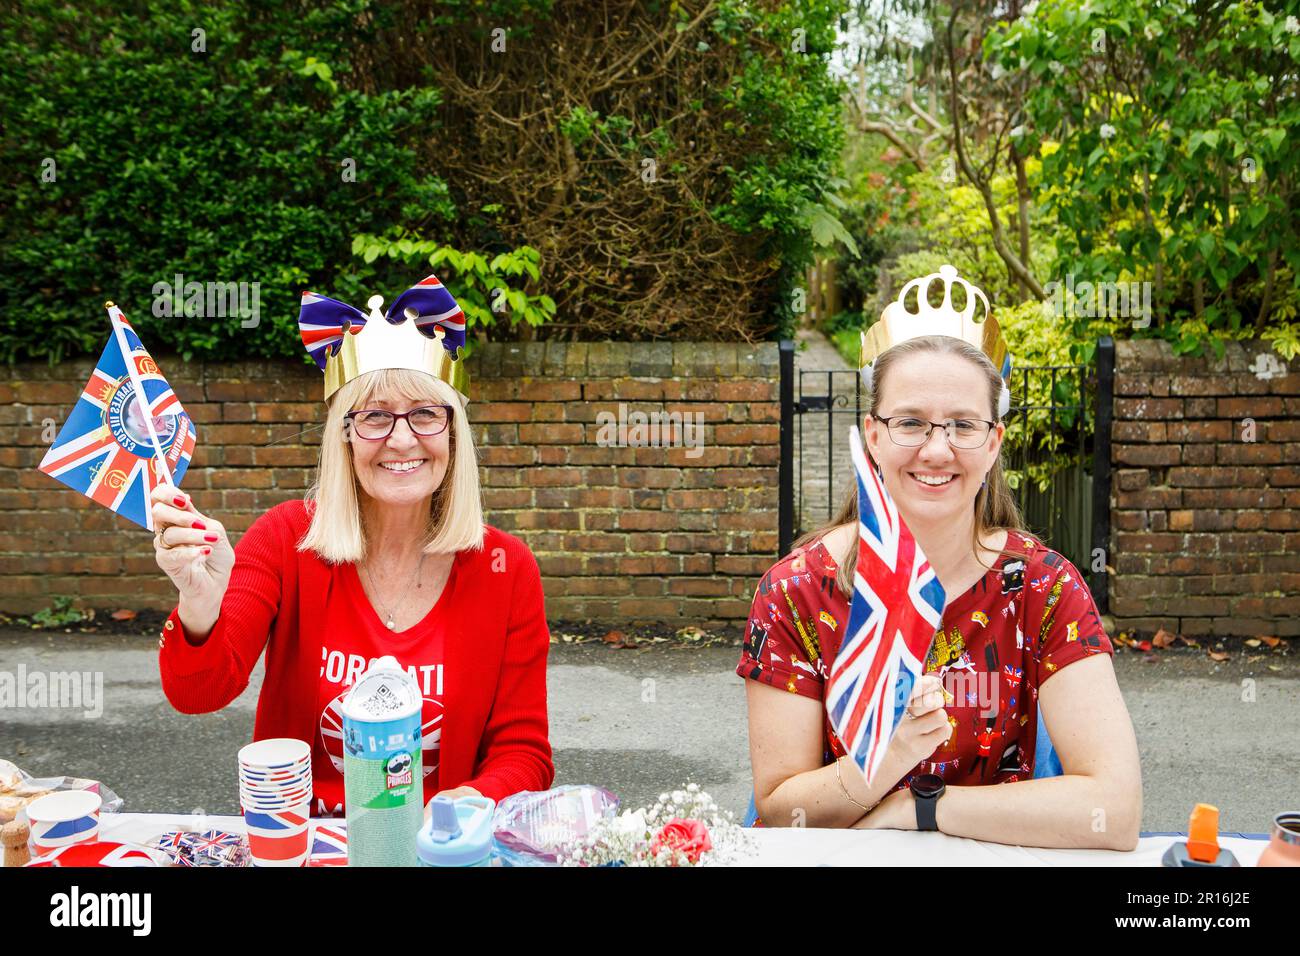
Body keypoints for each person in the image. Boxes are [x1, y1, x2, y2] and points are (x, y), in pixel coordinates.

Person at [738, 266, 1142, 849]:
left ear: (994, 443)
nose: (936, 449)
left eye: (962, 425)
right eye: (910, 423)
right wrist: (887, 755)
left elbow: (1116, 808)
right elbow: (780, 813)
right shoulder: (796, 591)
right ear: (873, 436)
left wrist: (920, 808)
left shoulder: (1044, 589)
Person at [151, 275, 553, 817]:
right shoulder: (284, 539)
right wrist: (199, 601)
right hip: (306, 844)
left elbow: (523, 751)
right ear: (342, 436)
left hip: (439, 847)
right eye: (374, 416)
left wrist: (473, 798)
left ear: (454, 433)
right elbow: (199, 693)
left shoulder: (506, 567)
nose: (403, 439)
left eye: (426, 414)